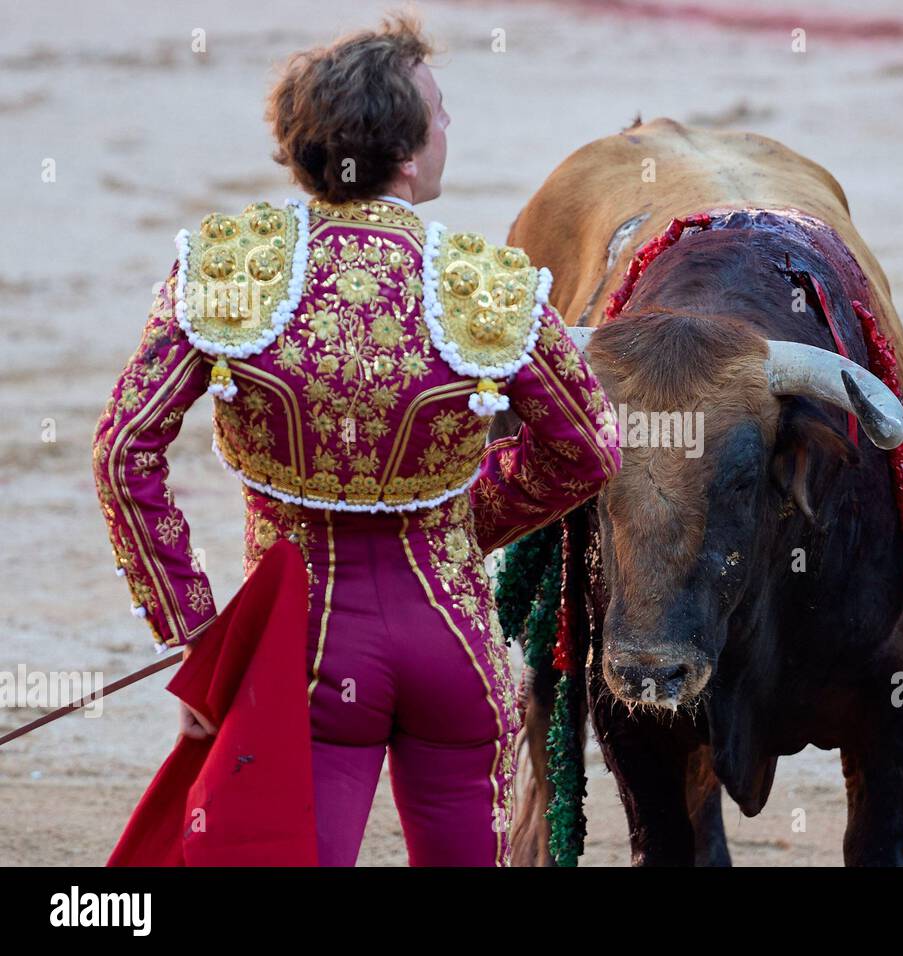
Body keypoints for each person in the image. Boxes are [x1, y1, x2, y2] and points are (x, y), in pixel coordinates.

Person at [90, 13, 621, 866]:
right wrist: (458, 526)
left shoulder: (231, 274)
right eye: (440, 113)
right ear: (408, 155)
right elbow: (590, 446)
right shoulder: (489, 288)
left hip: (300, 656)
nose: (450, 128)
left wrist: (197, 637)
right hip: (451, 641)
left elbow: (123, 453)